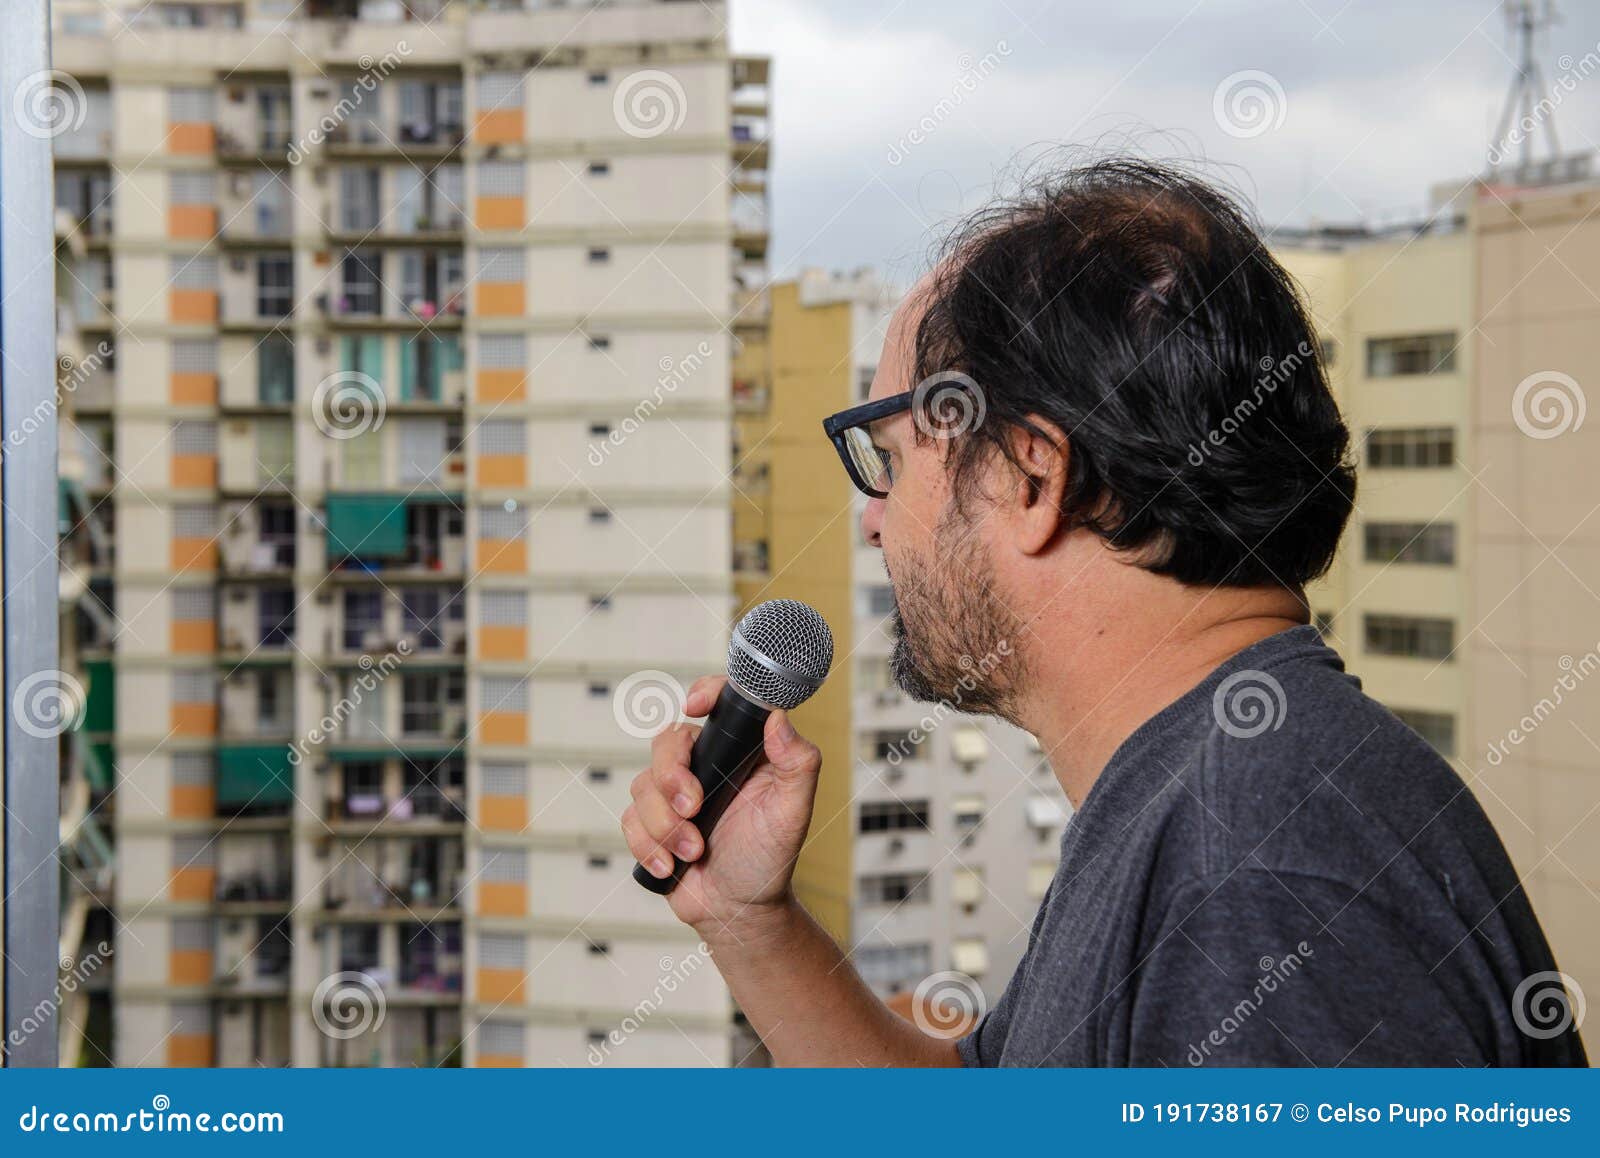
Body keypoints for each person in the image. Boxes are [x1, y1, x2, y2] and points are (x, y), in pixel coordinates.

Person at [620, 159, 1587, 1066]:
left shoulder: (1255, 875)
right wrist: (750, 920)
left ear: (1033, 475)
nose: (874, 522)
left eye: (894, 462)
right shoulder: (1202, 794)